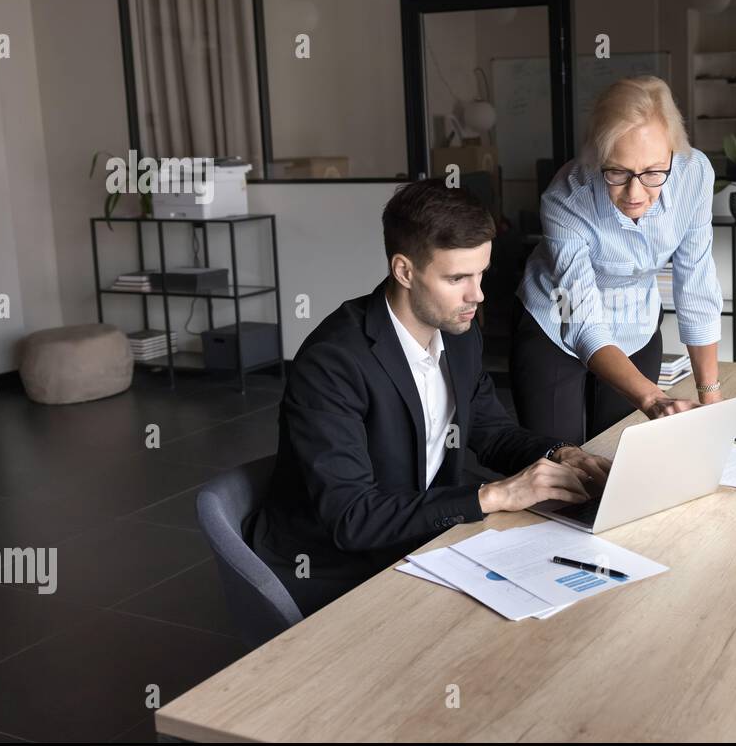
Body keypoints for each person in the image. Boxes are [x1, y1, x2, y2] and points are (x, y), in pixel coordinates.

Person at [247, 180, 612, 616]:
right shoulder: (332, 363)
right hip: (334, 565)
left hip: (419, 536)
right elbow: (352, 518)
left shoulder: (459, 332)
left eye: (481, 274)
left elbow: (489, 429)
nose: (477, 295)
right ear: (404, 271)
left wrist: (560, 453)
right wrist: (493, 495)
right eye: (457, 278)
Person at [510, 75, 736, 444]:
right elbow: (582, 322)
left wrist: (713, 403)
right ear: (596, 156)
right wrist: (655, 398)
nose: (635, 193)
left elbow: (696, 284)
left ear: (673, 152)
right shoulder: (565, 198)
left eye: (654, 172)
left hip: (634, 321)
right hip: (555, 320)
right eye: (618, 172)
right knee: (560, 462)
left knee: (621, 451)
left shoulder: (694, 174)